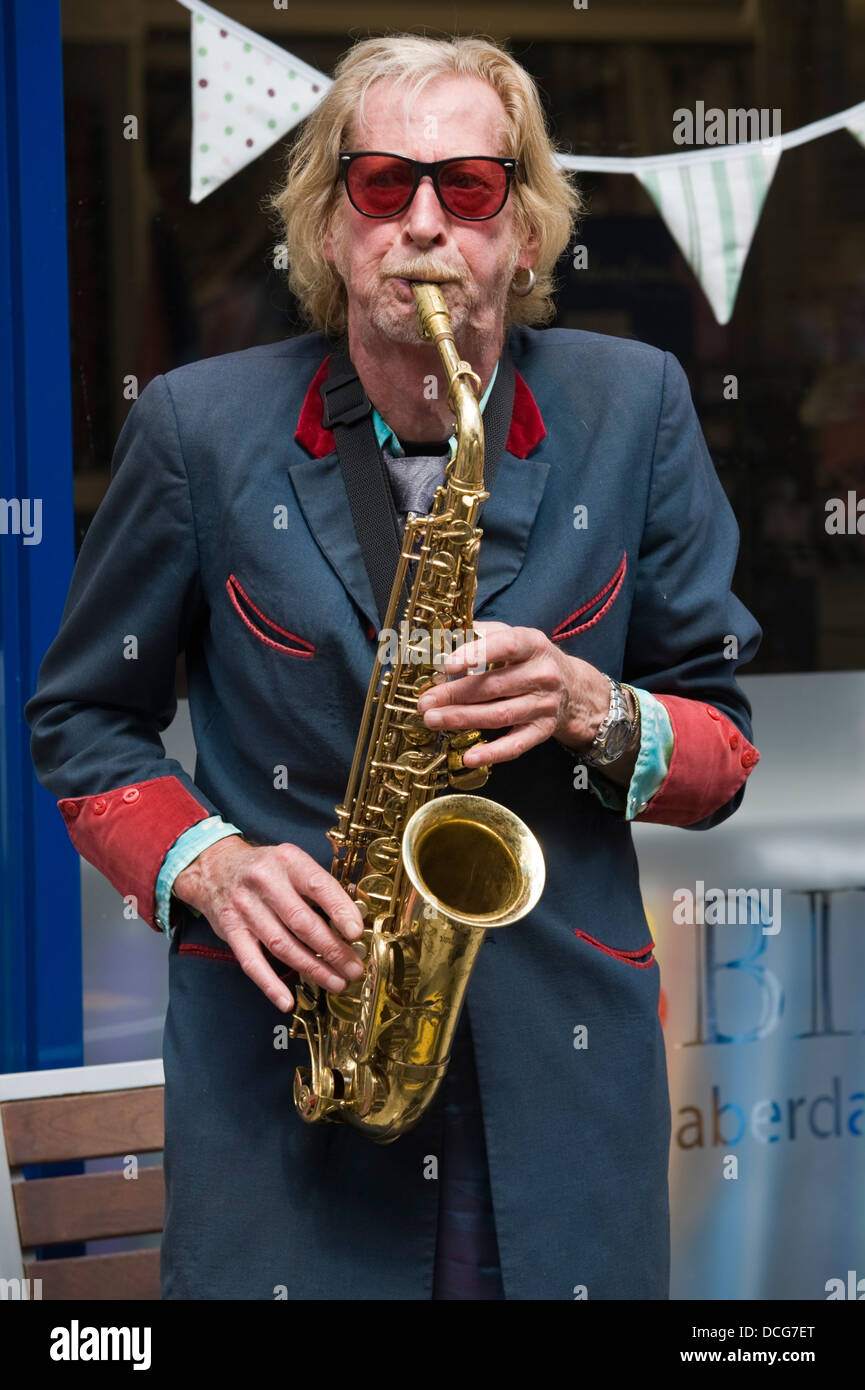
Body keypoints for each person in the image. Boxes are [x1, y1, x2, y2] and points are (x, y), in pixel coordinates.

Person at [25, 33, 761, 1300]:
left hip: (560, 1091)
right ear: (325, 226)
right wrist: (211, 863)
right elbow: (83, 718)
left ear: (524, 231)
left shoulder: (632, 405)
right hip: (288, 1087)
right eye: (381, 187)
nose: (423, 224)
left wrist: (597, 707)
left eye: (468, 189)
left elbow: (720, 748)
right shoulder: (196, 430)